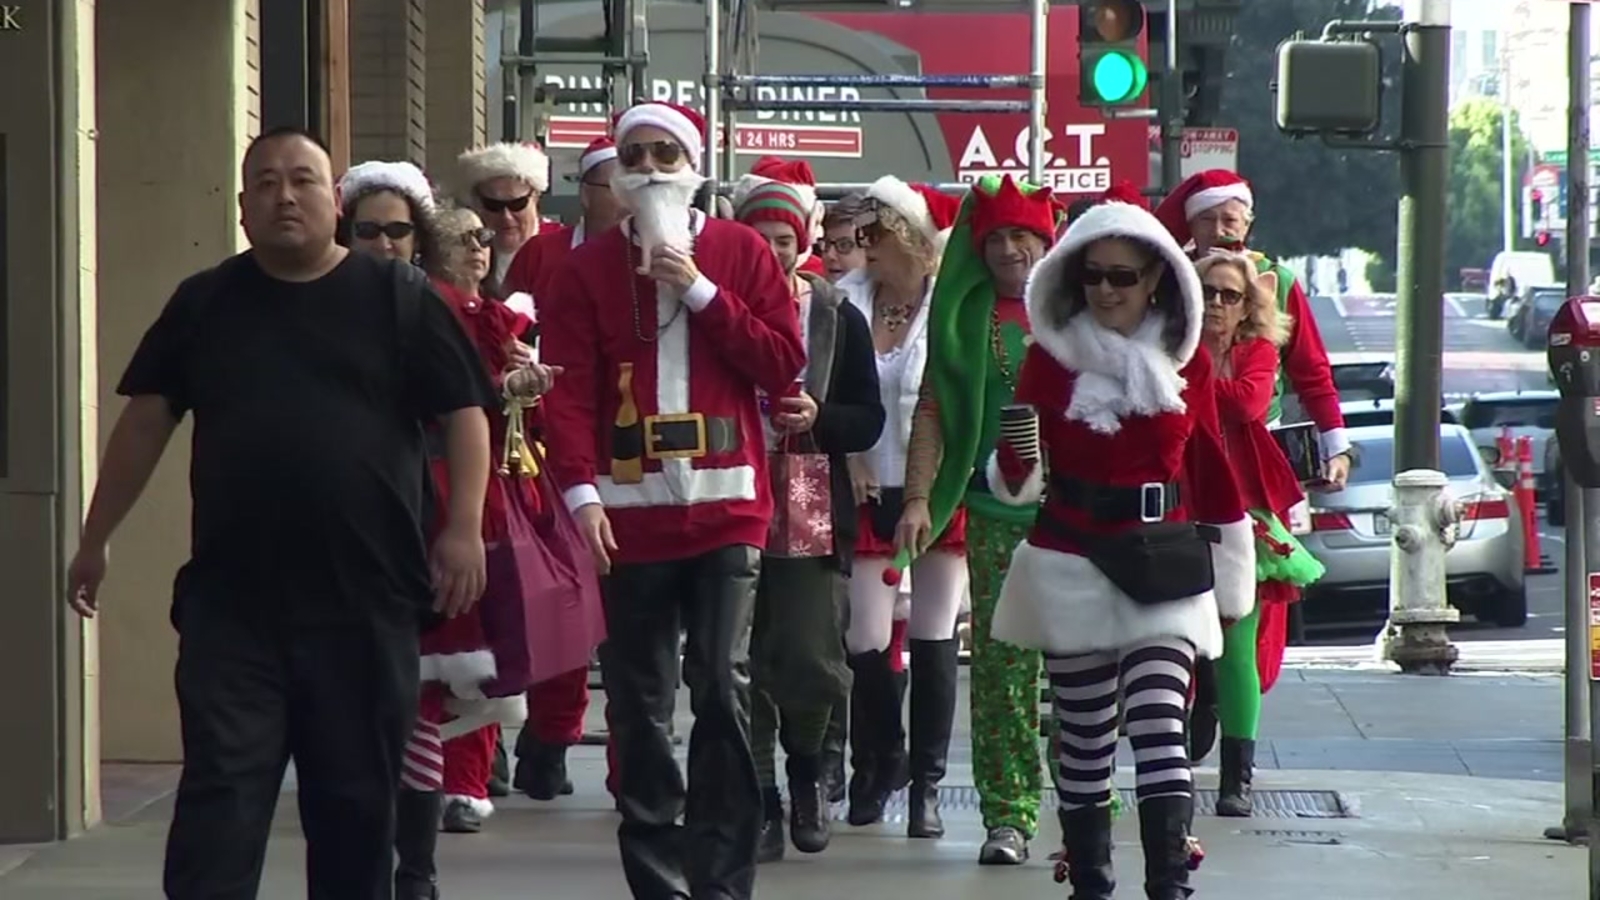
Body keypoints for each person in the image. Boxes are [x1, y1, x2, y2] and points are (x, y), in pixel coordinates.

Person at [66, 127, 495, 899]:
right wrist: (96, 539)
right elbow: (143, 423)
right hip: (235, 610)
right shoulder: (205, 303)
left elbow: (466, 413)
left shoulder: (396, 300)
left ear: (335, 200)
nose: (284, 195)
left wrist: (462, 529)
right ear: (242, 207)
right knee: (220, 806)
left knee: (356, 814)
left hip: (365, 607)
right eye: (265, 183)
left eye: (302, 180)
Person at [538, 101, 806, 900]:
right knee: (638, 706)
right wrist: (581, 495)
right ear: (617, 169)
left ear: (692, 162)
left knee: (721, 687)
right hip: (627, 520)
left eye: (665, 151)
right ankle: (657, 879)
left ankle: (723, 880)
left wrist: (699, 292)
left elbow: (783, 361)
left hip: (728, 511)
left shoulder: (739, 250)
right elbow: (569, 393)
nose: (651, 166)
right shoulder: (582, 271)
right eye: (636, 153)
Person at [984, 191, 1255, 900]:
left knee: (1161, 729)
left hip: (1160, 562)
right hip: (1071, 553)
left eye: (1122, 277)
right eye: (1092, 275)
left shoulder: (1187, 360)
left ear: (1157, 278)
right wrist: (1015, 460)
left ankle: (1169, 885)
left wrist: (1233, 575)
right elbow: (1020, 477)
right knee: (1084, 741)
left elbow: (1209, 468)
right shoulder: (1050, 360)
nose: (1105, 290)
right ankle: (1092, 886)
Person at [1153, 169, 1350, 764]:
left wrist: (1335, 444)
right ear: (1191, 224)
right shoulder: (1163, 279)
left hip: (1248, 468)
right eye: (1210, 218)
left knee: (1250, 616)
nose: (1221, 230)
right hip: (1175, 462)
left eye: (1231, 219)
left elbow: (1311, 371)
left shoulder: (1277, 284)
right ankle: (1198, 696)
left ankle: (1223, 708)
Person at [894, 173, 1059, 864]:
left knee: (1086, 668)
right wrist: (917, 498)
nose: (1012, 250)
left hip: (1079, 520)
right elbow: (932, 412)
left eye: (1025, 235)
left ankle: (1083, 784)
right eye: (998, 238)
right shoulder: (963, 322)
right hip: (993, 519)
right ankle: (1009, 813)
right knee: (1001, 672)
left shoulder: (1082, 312)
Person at [729, 161, 885, 863]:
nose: (772, 251)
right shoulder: (717, 312)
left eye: (783, 240)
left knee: (810, 645)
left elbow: (869, 419)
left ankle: (807, 772)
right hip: (735, 485)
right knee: (743, 651)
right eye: (758, 239)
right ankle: (760, 796)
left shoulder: (834, 315)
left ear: (801, 243)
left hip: (810, 490)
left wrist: (821, 415)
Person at [837, 175, 966, 838]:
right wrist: (851, 455)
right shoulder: (845, 302)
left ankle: (928, 787)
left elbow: (959, 402)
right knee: (864, 635)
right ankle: (877, 760)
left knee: (933, 633)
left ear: (913, 239)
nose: (866, 248)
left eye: (876, 234)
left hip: (936, 489)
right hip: (866, 485)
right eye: (861, 236)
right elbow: (829, 390)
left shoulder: (947, 306)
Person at [502, 135, 628, 805]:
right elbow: (504, 333)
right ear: (586, 190)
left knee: (628, 618)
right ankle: (550, 738)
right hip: (549, 453)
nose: (629, 192)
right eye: (614, 180)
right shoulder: (545, 254)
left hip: (633, 454)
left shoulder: (659, 257)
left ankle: (625, 768)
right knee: (562, 598)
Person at [1194, 251, 1324, 818]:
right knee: (1176, 643)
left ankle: (1236, 778)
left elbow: (1247, 403)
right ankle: (1184, 739)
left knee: (1237, 649)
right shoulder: (1171, 344)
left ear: (1249, 306)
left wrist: (1188, 381)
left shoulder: (1258, 350)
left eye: (1230, 295)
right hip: (1175, 509)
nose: (1217, 304)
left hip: (1244, 513)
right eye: (1207, 292)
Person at [455, 140, 553, 297]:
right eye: (493, 205)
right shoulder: (462, 256)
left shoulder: (561, 251)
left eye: (517, 204)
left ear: (535, 198)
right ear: (477, 203)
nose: (506, 217)